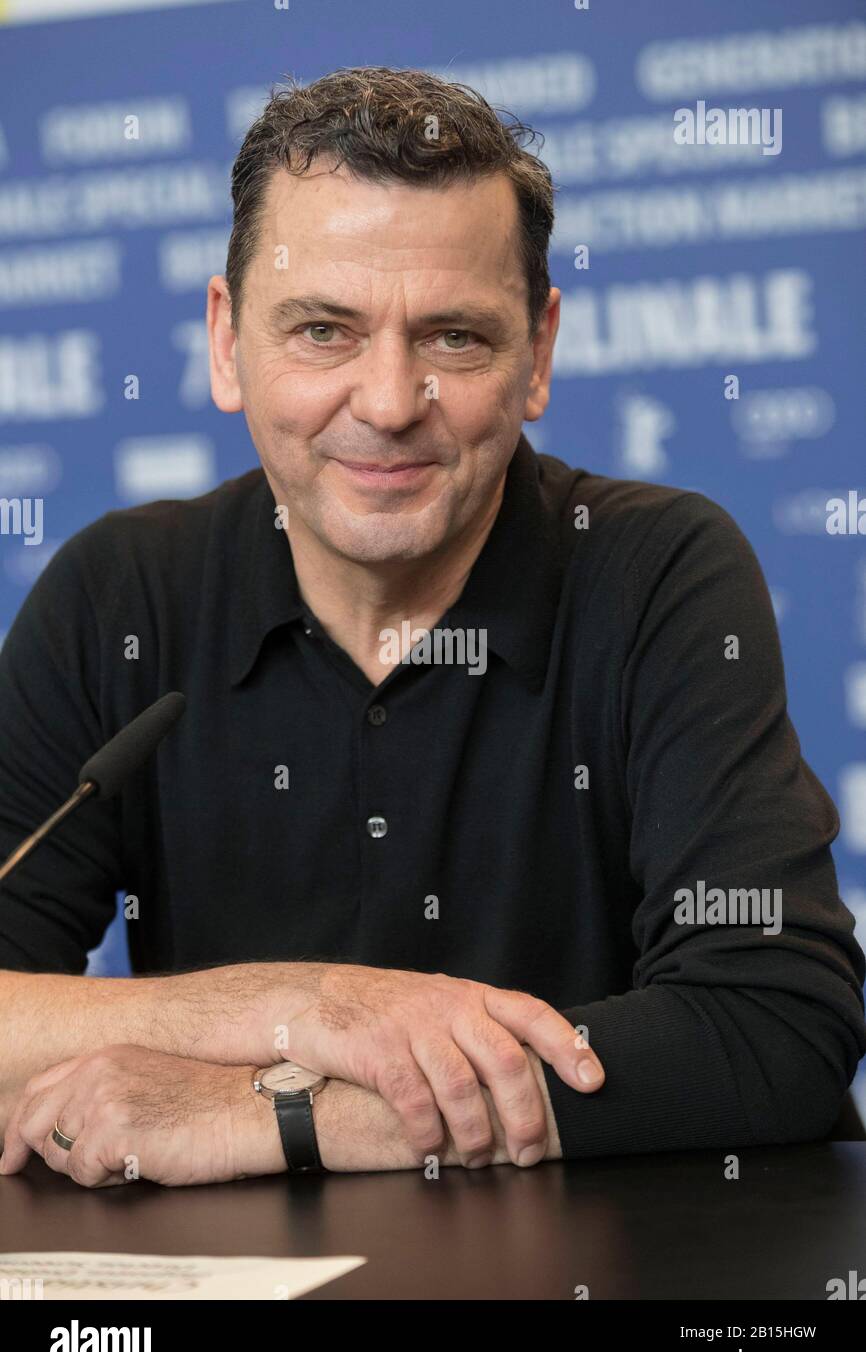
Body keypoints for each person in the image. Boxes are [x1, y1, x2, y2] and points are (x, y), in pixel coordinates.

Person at [0, 67, 863, 1188]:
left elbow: (774, 1026)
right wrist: (306, 1010)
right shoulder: (117, 595)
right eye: (323, 330)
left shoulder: (657, 571)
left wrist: (279, 1112)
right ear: (224, 344)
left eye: (453, 337)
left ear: (538, 354)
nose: (389, 399)